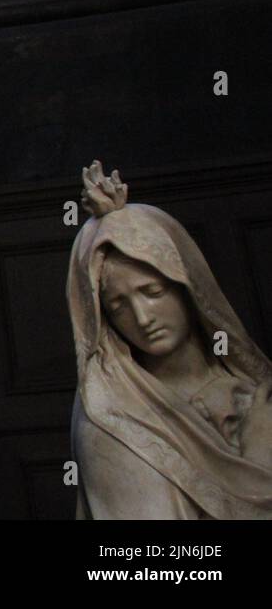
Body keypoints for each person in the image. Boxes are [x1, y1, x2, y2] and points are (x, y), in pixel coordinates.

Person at [67, 161, 272, 518]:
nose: (143, 318)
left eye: (153, 291)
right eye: (118, 305)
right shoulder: (114, 418)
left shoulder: (256, 397)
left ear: (187, 287)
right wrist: (256, 461)